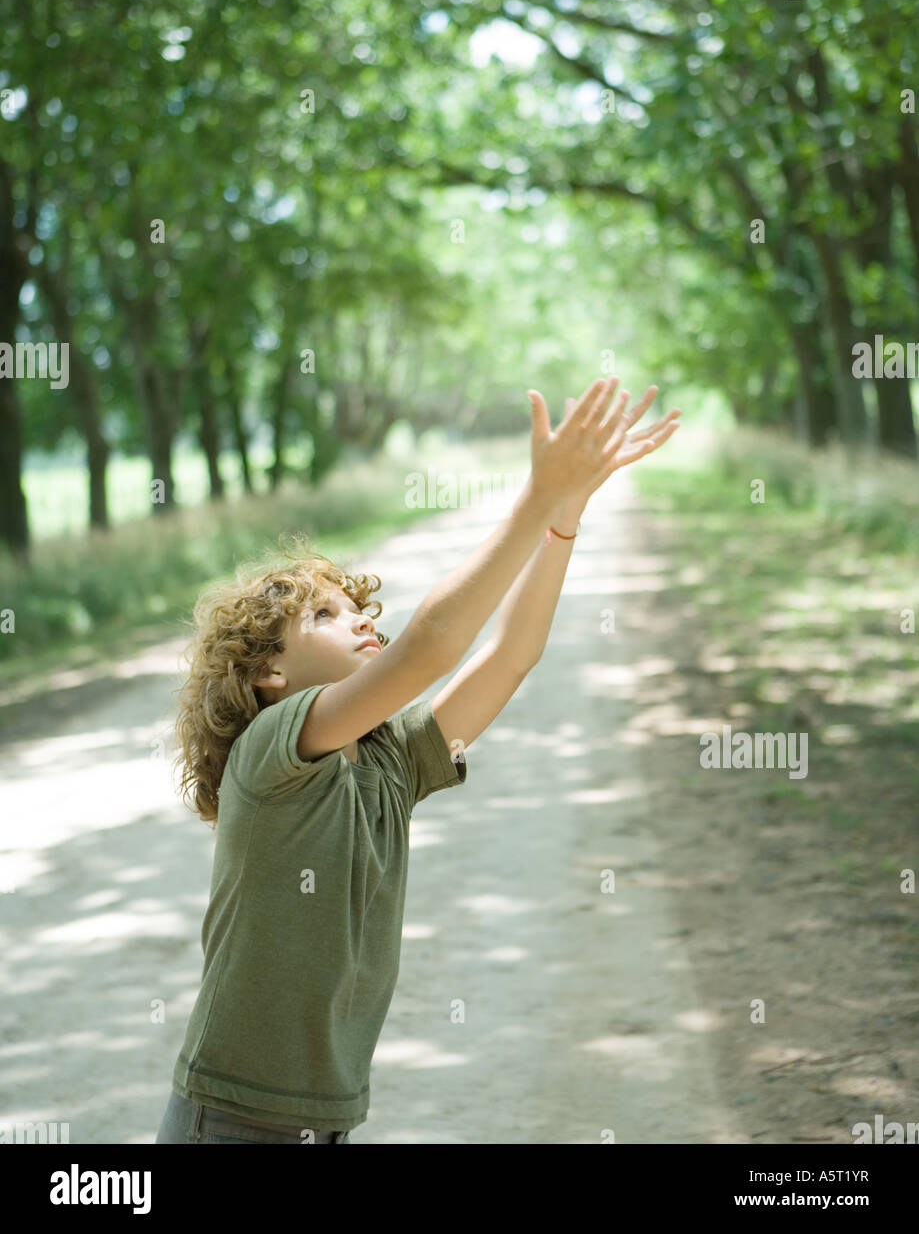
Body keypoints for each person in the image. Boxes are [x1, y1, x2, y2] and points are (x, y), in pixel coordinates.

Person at [154, 376, 681, 1143]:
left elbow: (510, 656)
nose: (363, 622)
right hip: (232, 1114)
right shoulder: (270, 752)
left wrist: (562, 520)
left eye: (360, 608)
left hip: (322, 1114)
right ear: (269, 673)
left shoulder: (385, 763)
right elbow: (430, 647)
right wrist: (533, 499)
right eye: (325, 614)